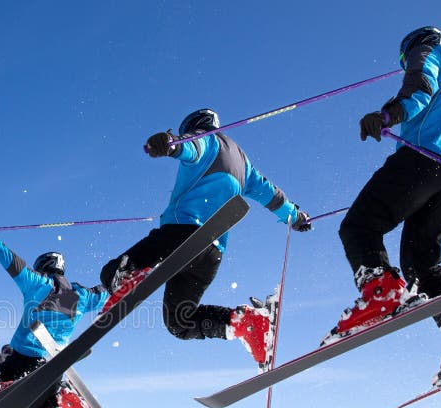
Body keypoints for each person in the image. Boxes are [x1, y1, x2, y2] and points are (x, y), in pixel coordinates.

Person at [99, 108, 311, 369]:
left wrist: (171, 144)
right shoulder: (244, 165)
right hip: (211, 253)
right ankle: (245, 323)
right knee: (179, 322)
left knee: (110, 272)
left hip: (182, 234)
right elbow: (270, 194)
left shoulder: (206, 139)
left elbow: (192, 147)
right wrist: (295, 215)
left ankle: (123, 276)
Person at [329, 26, 441, 385]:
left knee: (358, 227)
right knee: (421, 262)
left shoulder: (428, 51)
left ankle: (381, 292)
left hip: (424, 158)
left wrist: (389, 115)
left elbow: (420, 85)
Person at [0, 221, 110, 408]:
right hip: (55, 363)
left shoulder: (39, 283)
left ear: (43, 266)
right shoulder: (82, 295)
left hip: (25, 357)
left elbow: (13, 263)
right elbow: (104, 293)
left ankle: (0, 384)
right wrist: (126, 278)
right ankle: (64, 402)